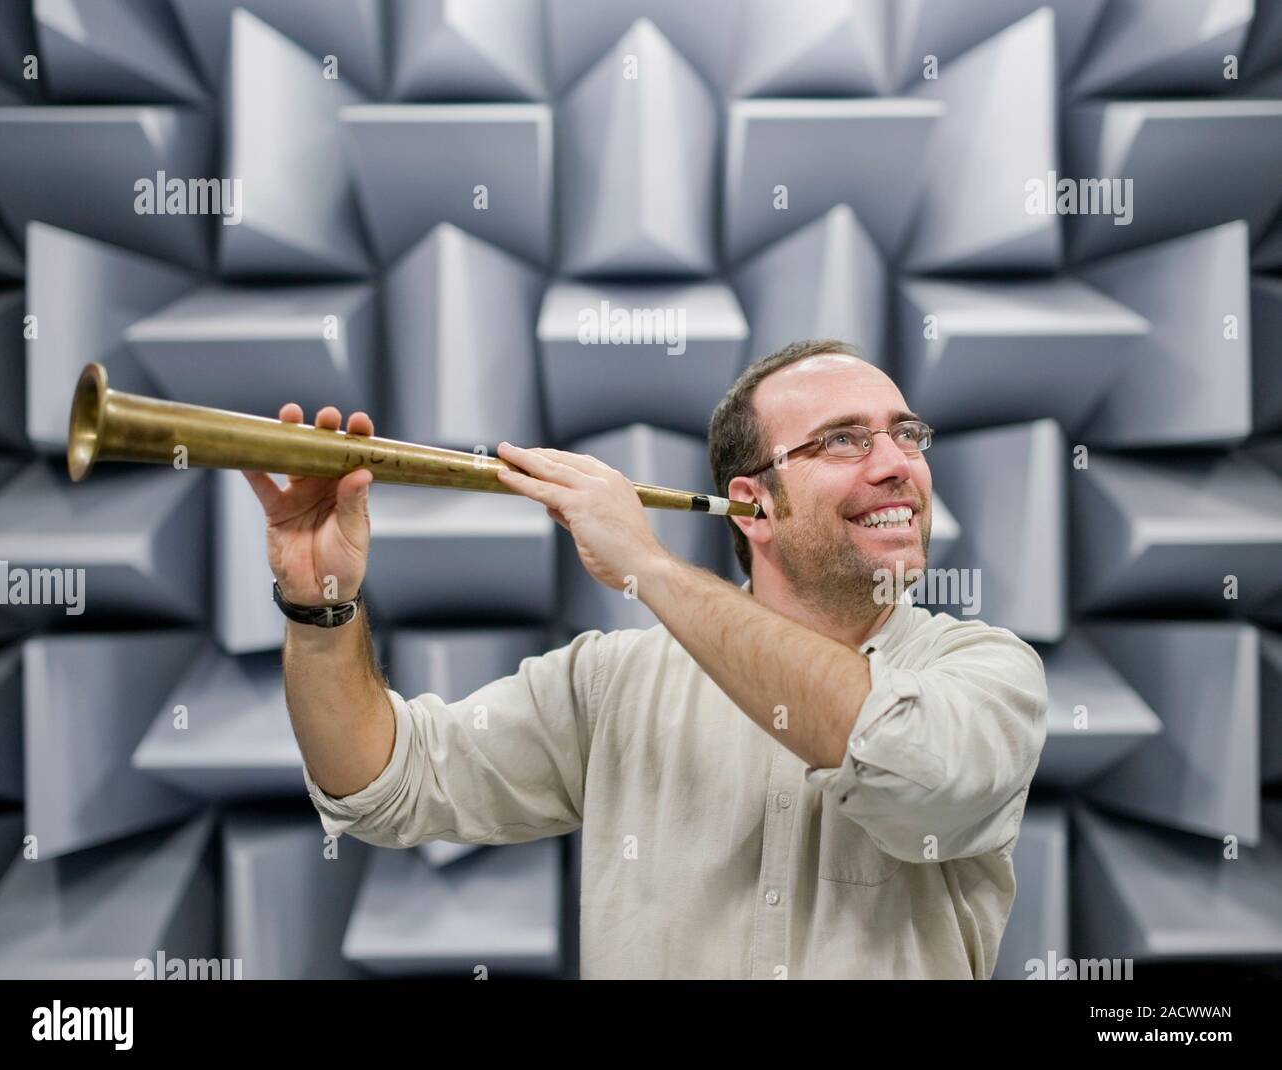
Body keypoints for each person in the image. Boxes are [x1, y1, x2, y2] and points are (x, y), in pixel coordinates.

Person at [245, 337, 1048, 979]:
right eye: (844, 441)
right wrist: (321, 606)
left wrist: (651, 567)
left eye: (906, 434)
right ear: (752, 505)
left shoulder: (987, 673)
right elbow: (384, 787)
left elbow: (904, 761)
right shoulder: (612, 682)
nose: (896, 464)